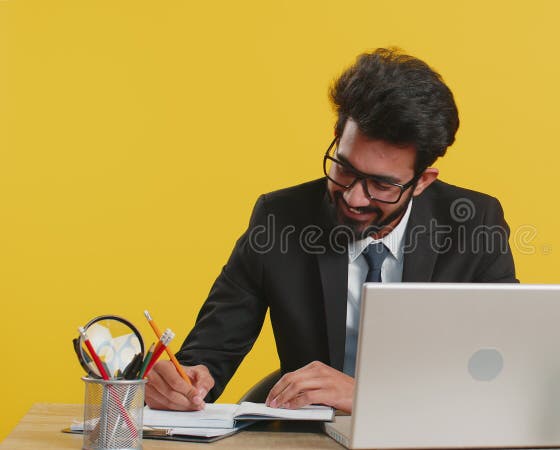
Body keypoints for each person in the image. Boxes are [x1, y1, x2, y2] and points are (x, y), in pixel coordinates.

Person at [145, 48, 517, 413]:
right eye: (344, 168)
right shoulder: (279, 220)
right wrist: (187, 381)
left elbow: (503, 369)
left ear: (422, 182)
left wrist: (368, 397)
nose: (354, 198)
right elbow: (210, 350)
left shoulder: (474, 223)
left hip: (432, 434)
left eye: (382, 185)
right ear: (338, 138)